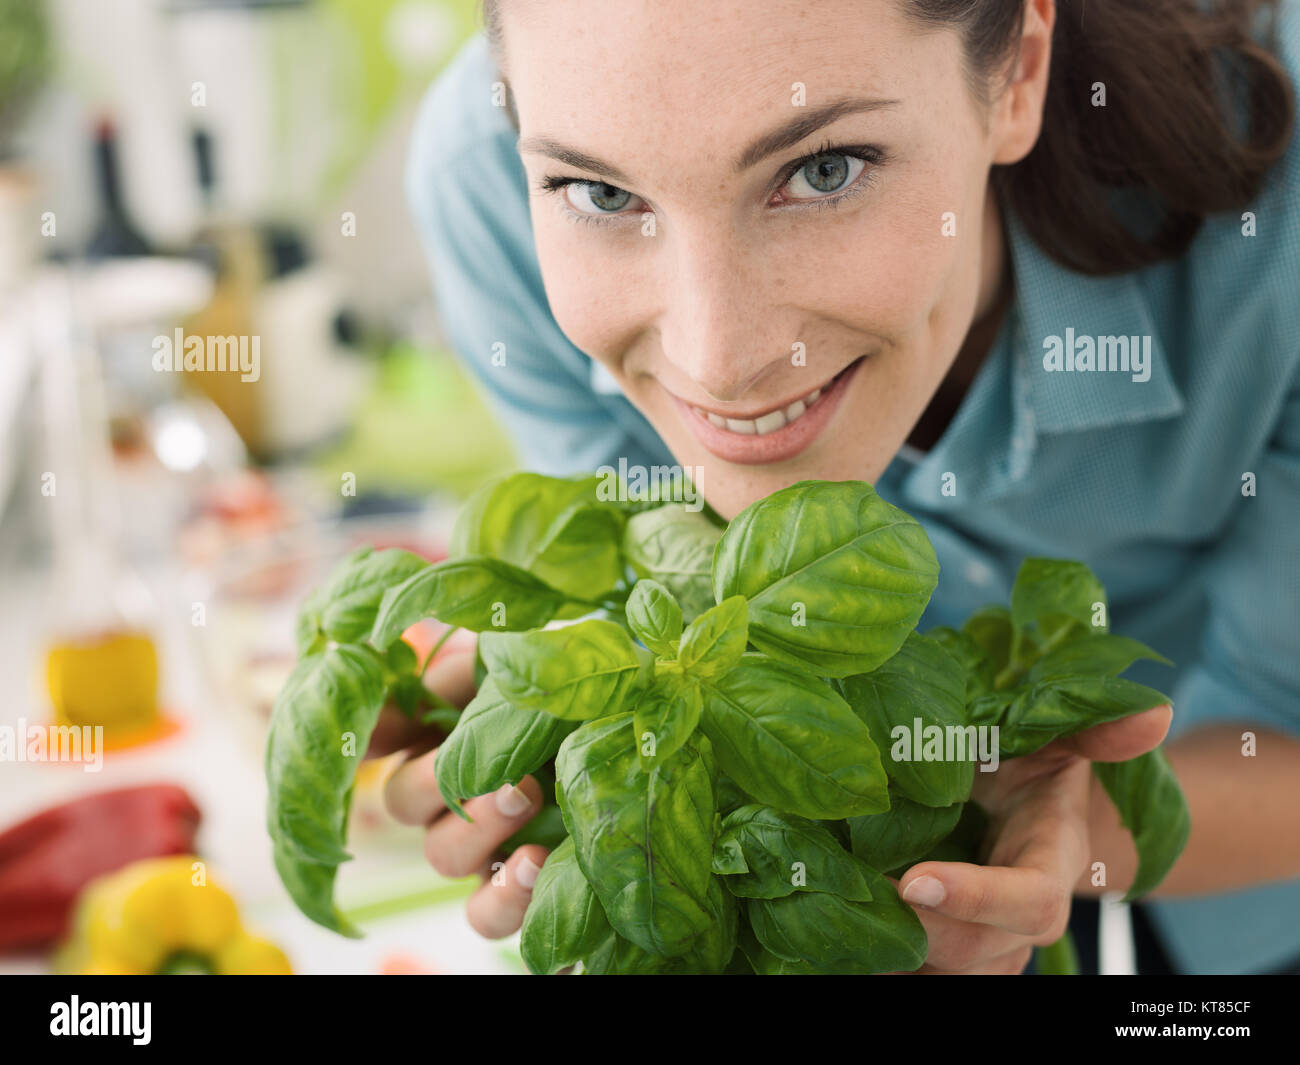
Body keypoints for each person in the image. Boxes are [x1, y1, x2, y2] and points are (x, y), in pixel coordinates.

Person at [376, 0, 1300, 974]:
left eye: (823, 171)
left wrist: (1079, 826)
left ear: (1018, 71)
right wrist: (571, 721)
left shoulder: (1274, 209)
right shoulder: (480, 177)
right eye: (601, 196)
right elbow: (660, 560)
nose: (718, 362)